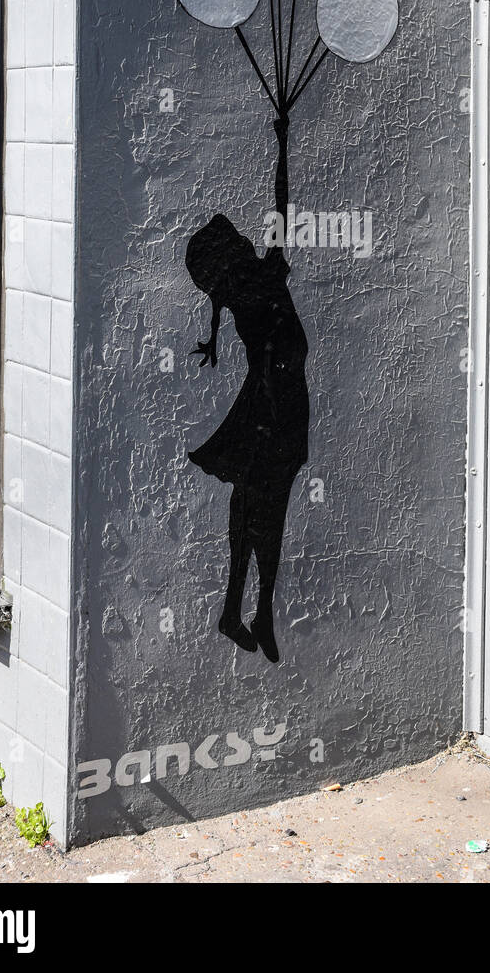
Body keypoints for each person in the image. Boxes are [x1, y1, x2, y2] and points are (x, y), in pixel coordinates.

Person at [186, 212, 309, 662]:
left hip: (283, 403)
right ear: (234, 253)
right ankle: (248, 611)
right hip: (272, 405)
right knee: (262, 508)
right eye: (238, 239)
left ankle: (251, 612)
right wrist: (281, 157)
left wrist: (212, 340)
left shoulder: (245, 287)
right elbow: (283, 209)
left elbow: (282, 213)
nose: (245, 238)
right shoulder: (257, 281)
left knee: (262, 508)